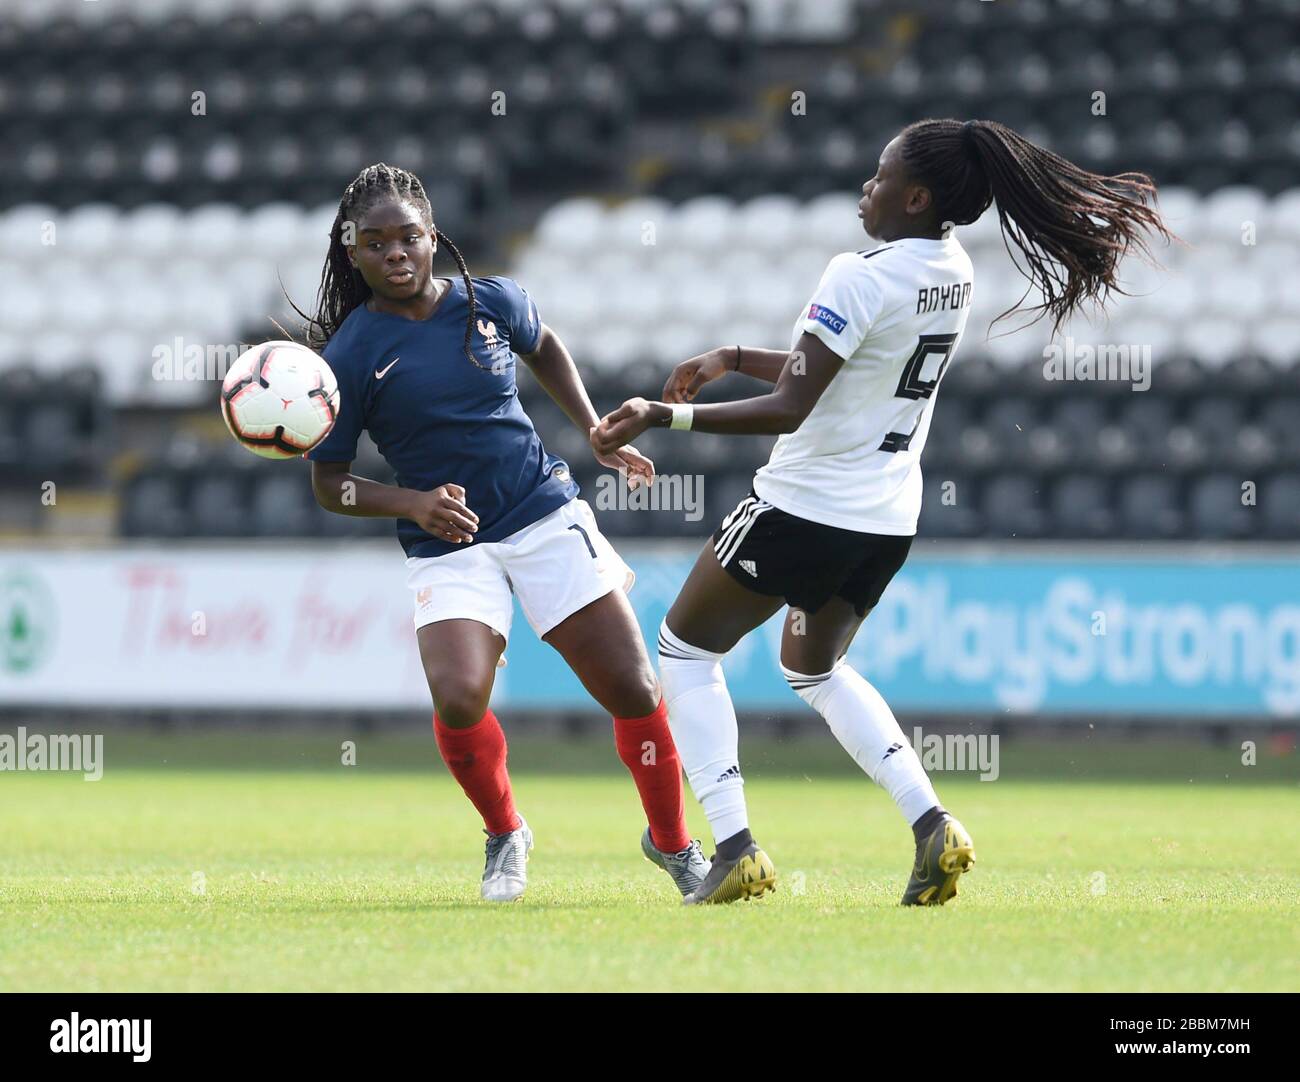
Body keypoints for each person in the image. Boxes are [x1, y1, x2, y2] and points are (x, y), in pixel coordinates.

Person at [591, 119, 1171, 905]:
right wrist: (730, 357)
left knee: (685, 651)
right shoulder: (953, 271)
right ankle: (933, 824)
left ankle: (734, 847)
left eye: (880, 174)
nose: (867, 187)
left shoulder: (855, 274)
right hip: (886, 518)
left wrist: (664, 416)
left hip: (803, 507)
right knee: (813, 668)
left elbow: (794, 404)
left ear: (917, 195)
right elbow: (844, 366)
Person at [300, 163, 709, 902]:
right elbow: (331, 485)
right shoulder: (351, 355)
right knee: (458, 696)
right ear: (352, 254)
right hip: (446, 543)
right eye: (376, 243)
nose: (395, 253)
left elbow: (544, 343)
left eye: (409, 237)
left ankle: (675, 845)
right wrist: (412, 502)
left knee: (633, 686)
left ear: (433, 237)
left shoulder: (491, 301)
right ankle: (504, 831)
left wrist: (593, 428)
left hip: (542, 513)